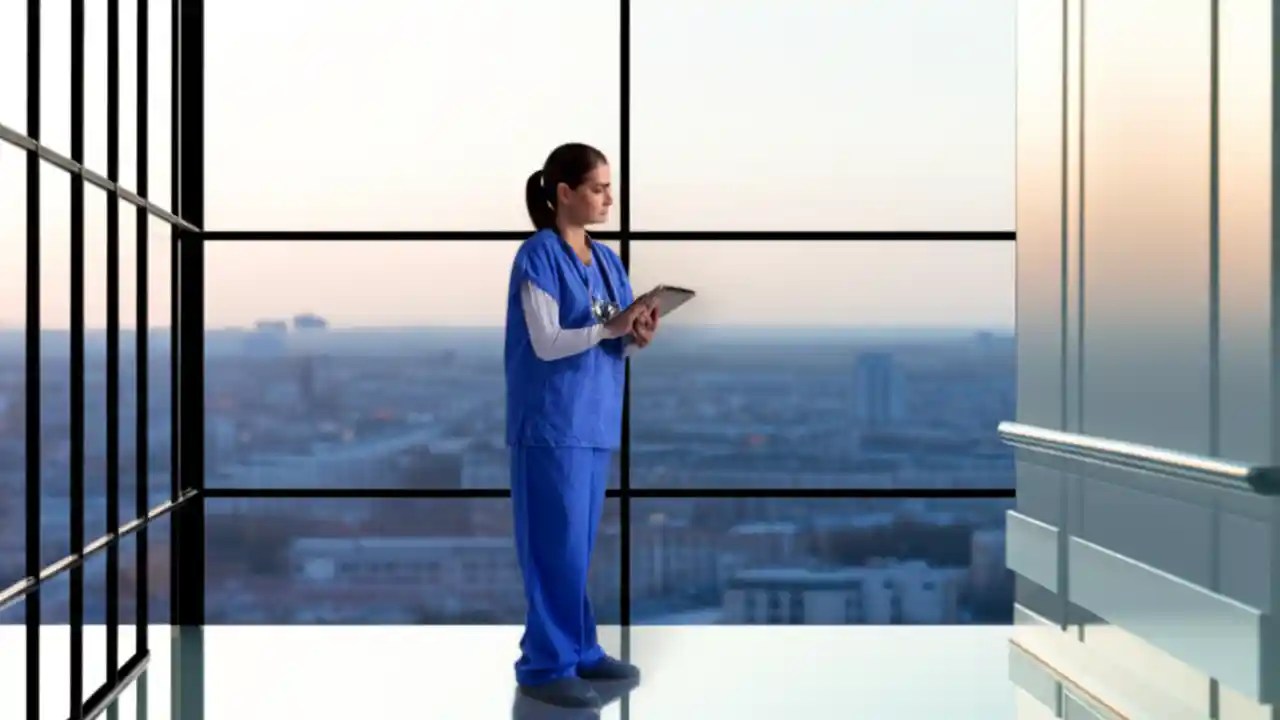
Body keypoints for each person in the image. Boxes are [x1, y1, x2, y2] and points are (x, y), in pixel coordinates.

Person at [504, 142, 658, 709]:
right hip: (549, 422)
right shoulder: (538, 256)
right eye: (597, 188)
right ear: (563, 193)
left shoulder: (608, 260)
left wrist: (635, 334)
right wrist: (610, 329)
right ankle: (545, 665)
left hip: (592, 419)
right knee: (551, 546)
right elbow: (547, 342)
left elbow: (608, 335)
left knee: (578, 545)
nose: (607, 199)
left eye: (609, 188)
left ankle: (582, 649)